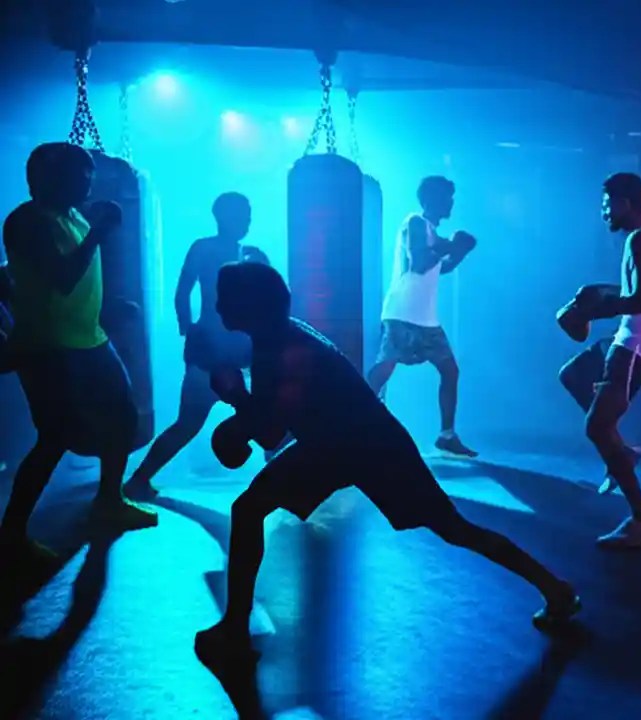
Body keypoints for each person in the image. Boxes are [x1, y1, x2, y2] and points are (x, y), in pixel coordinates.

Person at [194, 262, 579, 662]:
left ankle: (556, 588)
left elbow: (272, 434)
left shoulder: (284, 349)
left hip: (364, 444)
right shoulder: (275, 338)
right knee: (250, 508)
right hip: (339, 442)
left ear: (248, 304)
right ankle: (555, 589)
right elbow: (278, 423)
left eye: (225, 297)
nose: (218, 305)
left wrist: (237, 399)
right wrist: (241, 411)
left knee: (453, 527)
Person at [0, 142, 157, 568]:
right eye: (79, 178)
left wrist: (108, 307)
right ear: (45, 179)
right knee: (54, 439)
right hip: (47, 346)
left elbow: (78, 279)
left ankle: (108, 499)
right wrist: (99, 233)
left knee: (124, 415)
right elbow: (62, 278)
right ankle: (11, 533)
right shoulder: (26, 221)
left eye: (89, 178)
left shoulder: (71, 217)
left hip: (89, 337)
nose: (86, 186)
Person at [555, 172, 641, 549]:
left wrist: (591, 311)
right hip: (632, 340)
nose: (602, 212)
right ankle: (622, 450)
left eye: (606, 203)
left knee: (597, 428)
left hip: (637, 346)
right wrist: (603, 291)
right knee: (573, 374)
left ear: (626, 203)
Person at [123, 193, 269, 500]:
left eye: (248, 214)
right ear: (222, 217)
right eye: (241, 214)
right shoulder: (206, 248)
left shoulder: (251, 254)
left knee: (265, 416)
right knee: (190, 423)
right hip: (213, 352)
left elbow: (270, 298)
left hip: (241, 351)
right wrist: (189, 329)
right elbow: (182, 292)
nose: (246, 221)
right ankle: (139, 479)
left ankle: (280, 482)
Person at [367, 176, 479, 458]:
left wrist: (459, 252)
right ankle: (355, 420)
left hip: (425, 317)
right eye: (445, 197)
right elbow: (418, 263)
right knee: (384, 370)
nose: (450, 202)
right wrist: (452, 244)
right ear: (430, 198)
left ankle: (446, 435)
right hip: (402, 312)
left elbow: (440, 268)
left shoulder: (433, 233)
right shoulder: (415, 222)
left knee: (450, 371)